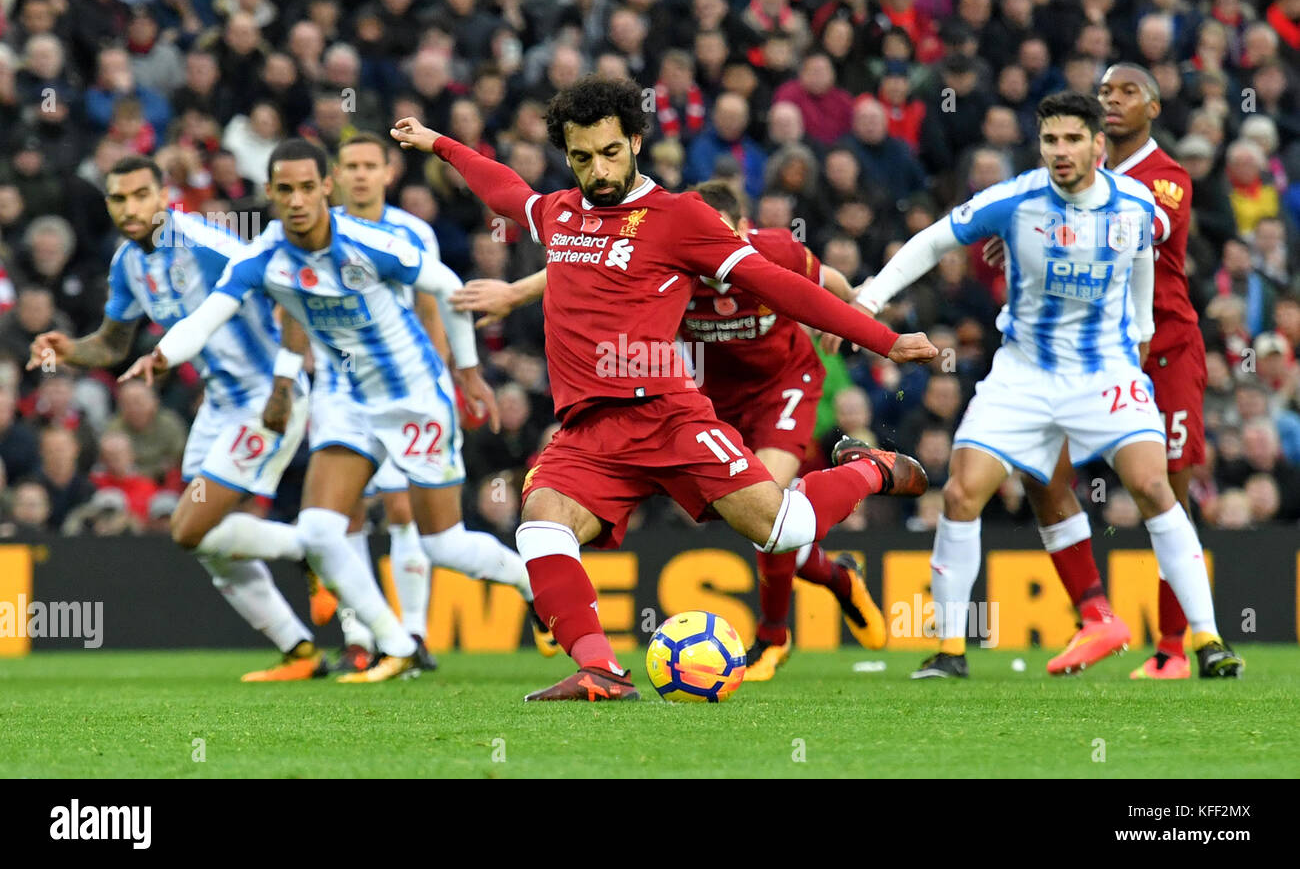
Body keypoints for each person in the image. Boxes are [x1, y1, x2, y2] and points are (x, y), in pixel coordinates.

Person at [392, 75, 938, 702]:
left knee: (781, 529)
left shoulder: (680, 217)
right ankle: (599, 667)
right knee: (541, 522)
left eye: (610, 152)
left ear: (636, 140)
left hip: (668, 416)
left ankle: (872, 469)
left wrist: (882, 339)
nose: (597, 169)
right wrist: (441, 144)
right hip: (590, 432)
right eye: (581, 157)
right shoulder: (559, 214)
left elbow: (777, 285)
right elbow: (504, 189)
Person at [854, 91, 1242, 680]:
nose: (1060, 152)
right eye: (1049, 140)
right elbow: (934, 240)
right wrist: (870, 300)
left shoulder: (1135, 204)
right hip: (1024, 374)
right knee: (962, 494)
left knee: (1152, 487)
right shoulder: (1014, 201)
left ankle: (1208, 642)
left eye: (1071, 139)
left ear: (1097, 146)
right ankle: (950, 652)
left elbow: (1143, 268)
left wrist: (1138, 336)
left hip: (1105, 371)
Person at [452, 179, 888, 682]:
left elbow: (825, 279)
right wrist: (514, 293)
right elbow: (580, 270)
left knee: (769, 501)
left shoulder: (773, 249)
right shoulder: (674, 252)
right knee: (747, 515)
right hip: (705, 392)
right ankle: (837, 575)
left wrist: (854, 310)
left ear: (744, 230)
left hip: (782, 385)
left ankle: (773, 636)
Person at [120, 139, 523, 683]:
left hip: (414, 397)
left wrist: (469, 371)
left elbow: (445, 284)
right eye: (284, 189)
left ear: (324, 189)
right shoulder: (263, 257)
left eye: (308, 187)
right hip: (346, 399)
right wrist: (162, 354)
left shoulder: (368, 242)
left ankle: (530, 582)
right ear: (269, 194)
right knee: (319, 529)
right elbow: (208, 316)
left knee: (443, 544)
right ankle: (396, 644)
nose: (297, 199)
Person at [27, 154, 318, 682]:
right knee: (202, 540)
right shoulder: (127, 264)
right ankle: (297, 648)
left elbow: (292, 291)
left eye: (141, 195)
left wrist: (283, 382)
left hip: (267, 396)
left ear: (164, 195)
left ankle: (311, 549)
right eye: (119, 198)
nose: (130, 207)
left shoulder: (204, 243)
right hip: (219, 404)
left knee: (189, 529)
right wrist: (68, 350)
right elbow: (113, 343)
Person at [986, 65, 1234, 680]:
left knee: (1167, 491)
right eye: (1105, 93)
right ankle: (1096, 614)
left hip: (1166, 353)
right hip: (1084, 359)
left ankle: (1182, 646)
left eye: (1127, 92)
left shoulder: (1165, 179)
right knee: (1041, 473)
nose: (1113, 101)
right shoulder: (1059, 184)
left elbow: (1143, 232)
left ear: (1153, 108)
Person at [310, 131, 556, 672]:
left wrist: (457, 376)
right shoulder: (314, 232)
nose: (358, 175)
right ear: (334, 177)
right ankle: (364, 638)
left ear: (387, 173)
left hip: (408, 390)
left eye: (368, 165)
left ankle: (424, 631)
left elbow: (436, 305)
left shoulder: (409, 231)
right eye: (348, 165)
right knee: (335, 515)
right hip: (340, 390)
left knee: (415, 520)